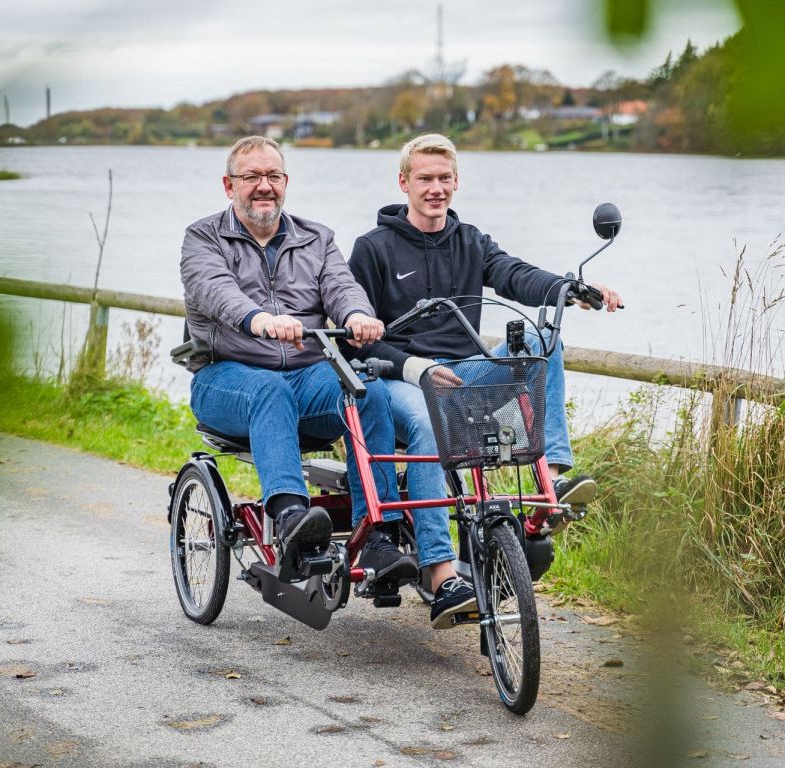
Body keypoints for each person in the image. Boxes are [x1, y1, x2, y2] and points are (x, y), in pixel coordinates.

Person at [343, 133, 623, 619]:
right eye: (425, 179)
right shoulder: (372, 248)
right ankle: (441, 575)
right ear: (404, 182)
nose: (436, 189)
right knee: (428, 425)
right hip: (400, 377)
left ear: (457, 181)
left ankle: (552, 479)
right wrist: (415, 367)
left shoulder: (470, 240)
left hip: (463, 373)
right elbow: (357, 336)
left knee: (540, 341)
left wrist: (570, 288)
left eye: (444, 178)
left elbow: (515, 274)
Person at [180, 135, 418, 585]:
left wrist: (357, 315)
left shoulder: (317, 238)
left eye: (273, 176)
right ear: (229, 185)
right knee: (269, 390)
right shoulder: (202, 238)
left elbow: (341, 287)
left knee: (366, 391)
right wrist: (260, 320)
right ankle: (292, 518)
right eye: (251, 176)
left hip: (306, 376)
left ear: (285, 182)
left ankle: (379, 534)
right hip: (225, 376)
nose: (263, 186)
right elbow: (215, 291)